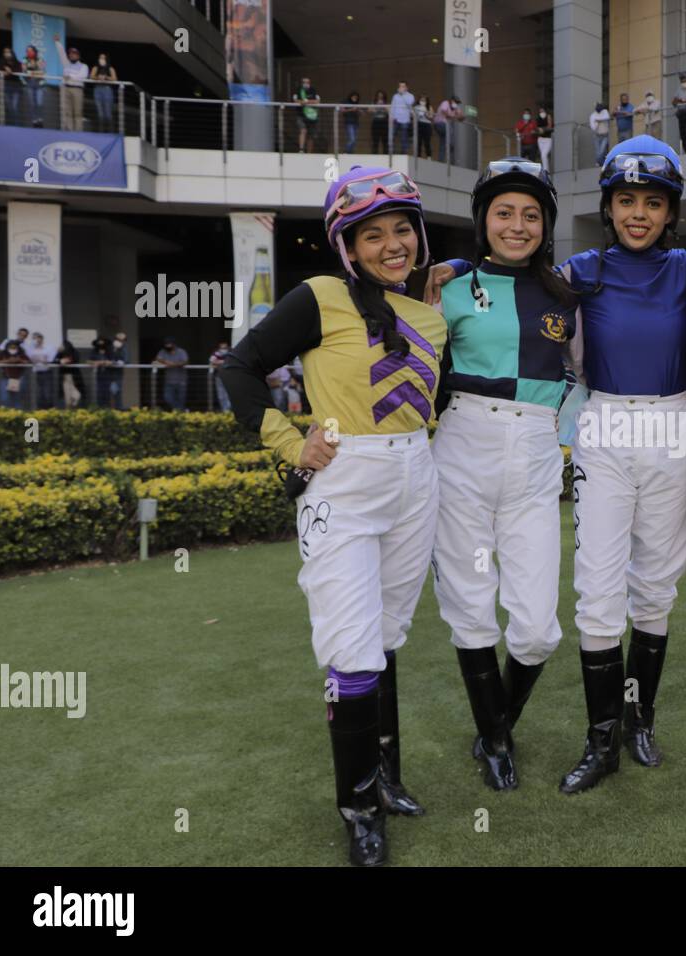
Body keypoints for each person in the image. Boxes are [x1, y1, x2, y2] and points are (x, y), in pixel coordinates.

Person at [423, 135, 686, 794]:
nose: (637, 214)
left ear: (669, 210)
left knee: (657, 588)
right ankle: (601, 740)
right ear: (608, 207)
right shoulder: (579, 271)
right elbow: (515, 272)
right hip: (604, 429)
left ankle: (639, 720)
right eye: (624, 201)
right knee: (598, 590)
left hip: (677, 427)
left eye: (650, 202)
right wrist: (449, 262)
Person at [221, 165, 447, 866]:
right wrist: (292, 445)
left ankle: (387, 779)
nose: (392, 244)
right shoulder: (320, 296)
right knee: (352, 649)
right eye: (372, 234)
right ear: (348, 246)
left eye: (401, 229)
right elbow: (238, 367)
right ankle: (358, 810)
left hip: (417, 477)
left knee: (384, 636)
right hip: (345, 484)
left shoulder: (431, 317)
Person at [433, 158, 578, 792]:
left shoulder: (570, 291)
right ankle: (496, 740)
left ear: (545, 225)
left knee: (540, 628)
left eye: (530, 215)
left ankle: (497, 722)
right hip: (461, 446)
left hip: (537, 452)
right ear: (482, 221)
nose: (516, 226)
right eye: (503, 213)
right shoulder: (444, 288)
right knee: (470, 609)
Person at [153, 337, 189, 410]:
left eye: (169, 344)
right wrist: (165, 362)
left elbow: (185, 362)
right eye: (166, 345)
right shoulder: (163, 351)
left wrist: (173, 364)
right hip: (168, 381)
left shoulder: (181, 352)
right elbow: (157, 359)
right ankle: (180, 410)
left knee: (181, 399)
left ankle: (179, 412)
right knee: (167, 398)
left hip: (181, 381)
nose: (167, 346)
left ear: (173, 344)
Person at [0, 340, 30, 409]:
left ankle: (18, 414)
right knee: (4, 398)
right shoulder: (3, 353)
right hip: (6, 378)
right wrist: (8, 361)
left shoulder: (21, 354)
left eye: (14, 347)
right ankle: (6, 413)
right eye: (11, 347)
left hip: (18, 378)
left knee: (17, 398)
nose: (12, 348)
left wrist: (19, 360)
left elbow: (28, 362)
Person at [28, 332, 56, 409]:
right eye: (34, 338)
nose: (36, 340)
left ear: (41, 339)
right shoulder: (31, 349)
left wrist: (42, 360)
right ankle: (40, 411)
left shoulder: (48, 348)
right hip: (36, 373)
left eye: (37, 338)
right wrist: (40, 359)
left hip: (46, 372)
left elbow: (50, 359)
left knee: (47, 393)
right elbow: (29, 359)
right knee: (39, 393)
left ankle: (49, 411)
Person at [293, 76, 321, 153]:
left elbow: (317, 101)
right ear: (301, 83)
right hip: (301, 115)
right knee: (303, 130)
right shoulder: (298, 90)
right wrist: (302, 102)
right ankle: (301, 149)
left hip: (312, 116)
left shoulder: (313, 90)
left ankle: (309, 153)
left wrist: (306, 102)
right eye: (304, 82)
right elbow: (295, 101)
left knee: (311, 135)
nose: (306, 84)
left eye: (307, 82)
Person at [435, 95, 464, 162]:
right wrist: (455, 116)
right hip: (440, 123)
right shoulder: (445, 103)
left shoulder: (456, 108)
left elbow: (461, 117)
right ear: (451, 100)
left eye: (457, 103)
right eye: (455, 102)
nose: (456, 104)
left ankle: (441, 160)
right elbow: (444, 113)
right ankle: (450, 144)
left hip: (446, 125)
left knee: (443, 142)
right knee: (450, 136)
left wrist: (461, 116)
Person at [56, 339, 85, 407]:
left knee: (76, 394)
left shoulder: (74, 352)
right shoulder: (60, 353)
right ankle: (69, 407)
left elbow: (76, 360)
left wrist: (67, 361)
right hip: (64, 376)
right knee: (67, 394)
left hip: (74, 375)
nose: (61, 346)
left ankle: (73, 404)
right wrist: (60, 361)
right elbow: (54, 361)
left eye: (62, 345)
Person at [0, 48, 24, 126]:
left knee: (14, 106)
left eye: (8, 52)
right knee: (9, 106)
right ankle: (10, 123)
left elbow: (19, 70)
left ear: (12, 53)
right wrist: (4, 69)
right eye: (5, 52)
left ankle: (16, 123)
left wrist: (10, 71)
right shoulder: (2, 62)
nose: (7, 54)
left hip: (16, 87)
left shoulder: (17, 62)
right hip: (6, 87)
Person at [88, 336, 115, 407]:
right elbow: (89, 361)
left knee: (108, 393)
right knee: (99, 393)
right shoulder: (94, 351)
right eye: (99, 343)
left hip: (108, 375)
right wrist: (96, 363)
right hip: (98, 375)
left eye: (102, 343)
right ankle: (100, 408)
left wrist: (105, 362)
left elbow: (113, 361)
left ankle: (108, 408)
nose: (101, 345)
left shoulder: (109, 351)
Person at [23, 45, 45, 127]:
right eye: (27, 51)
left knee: (39, 102)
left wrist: (32, 73)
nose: (29, 52)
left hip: (39, 84)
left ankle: (40, 118)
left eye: (31, 51)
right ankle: (34, 120)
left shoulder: (40, 60)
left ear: (35, 51)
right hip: (29, 84)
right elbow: (24, 71)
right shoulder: (24, 60)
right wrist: (33, 73)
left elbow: (42, 72)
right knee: (32, 103)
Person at [390, 82, 414, 155]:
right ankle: (392, 152)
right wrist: (391, 116)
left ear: (406, 88)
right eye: (400, 86)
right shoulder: (395, 96)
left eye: (403, 86)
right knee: (392, 135)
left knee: (404, 137)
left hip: (405, 119)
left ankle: (403, 153)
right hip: (396, 118)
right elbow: (393, 106)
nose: (401, 88)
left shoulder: (410, 96)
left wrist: (403, 94)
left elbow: (409, 103)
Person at [588, 101, 611, 166]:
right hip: (597, 135)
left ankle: (602, 163)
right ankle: (600, 163)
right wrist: (598, 123)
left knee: (602, 150)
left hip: (605, 134)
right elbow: (593, 127)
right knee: (598, 152)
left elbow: (607, 118)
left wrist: (598, 120)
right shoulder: (592, 115)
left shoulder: (605, 111)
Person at [414, 95, 434, 159]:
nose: (422, 101)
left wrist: (426, 113)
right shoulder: (416, 107)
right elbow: (413, 116)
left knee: (427, 142)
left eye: (424, 100)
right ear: (419, 101)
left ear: (426, 101)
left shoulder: (429, 107)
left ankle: (429, 157)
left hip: (427, 125)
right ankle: (418, 156)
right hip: (419, 124)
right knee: (418, 141)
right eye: (421, 100)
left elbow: (431, 117)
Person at [536, 107, 554, 172]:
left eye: (542, 111)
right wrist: (540, 130)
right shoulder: (538, 119)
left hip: (548, 139)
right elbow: (537, 128)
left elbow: (550, 126)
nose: (541, 113)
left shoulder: (548, 116)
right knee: (543, 156)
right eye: (540, 112)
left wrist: (542, 129)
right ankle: (545, 169)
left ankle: (546, 171)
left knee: (544, 154)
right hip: (540, 139)